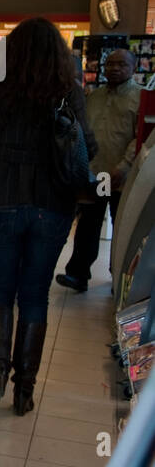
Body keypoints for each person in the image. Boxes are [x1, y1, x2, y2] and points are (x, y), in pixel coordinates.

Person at [0, 17, 96, 417]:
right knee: (35, 295)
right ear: (59, 56)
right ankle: (25, 390)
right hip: (53, 208)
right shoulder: (68, 93)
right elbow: (89, 147)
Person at [57, 48, 139, 292]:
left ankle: (119, 279)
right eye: (110, 63)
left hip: (123, 176)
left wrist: (124, 166)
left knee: (122, 229)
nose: (114, 68)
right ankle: (78, 275)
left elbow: (140, 138)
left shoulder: (140, 98)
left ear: (133, 68)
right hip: (94, 174)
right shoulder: (93, 97)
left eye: (121, 64)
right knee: (87, 226)